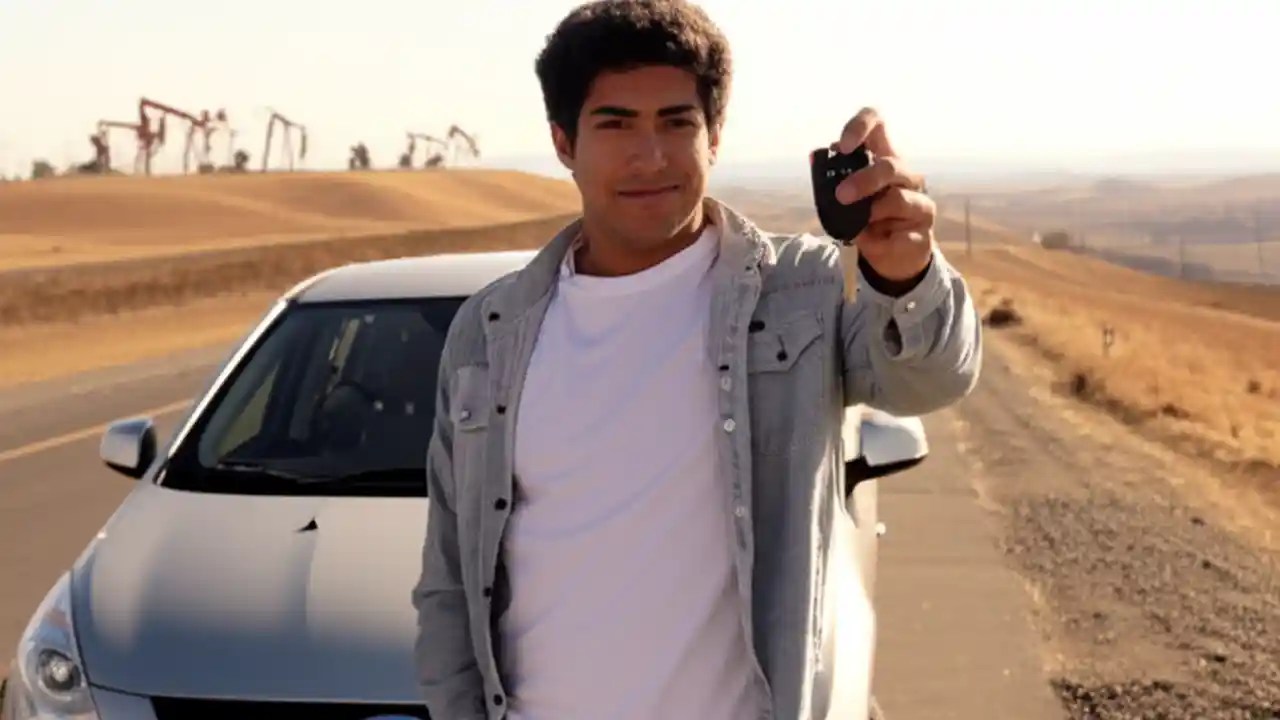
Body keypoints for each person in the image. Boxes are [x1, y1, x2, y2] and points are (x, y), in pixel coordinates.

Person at [411, 1, 982, 718]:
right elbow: (449, 582)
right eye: (615, 124)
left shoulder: (797, 292)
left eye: (677, 123)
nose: (651, 156)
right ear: (563, 142)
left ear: (713, 136)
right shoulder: (488, 332)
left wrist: (904, 273)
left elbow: (931, 375)